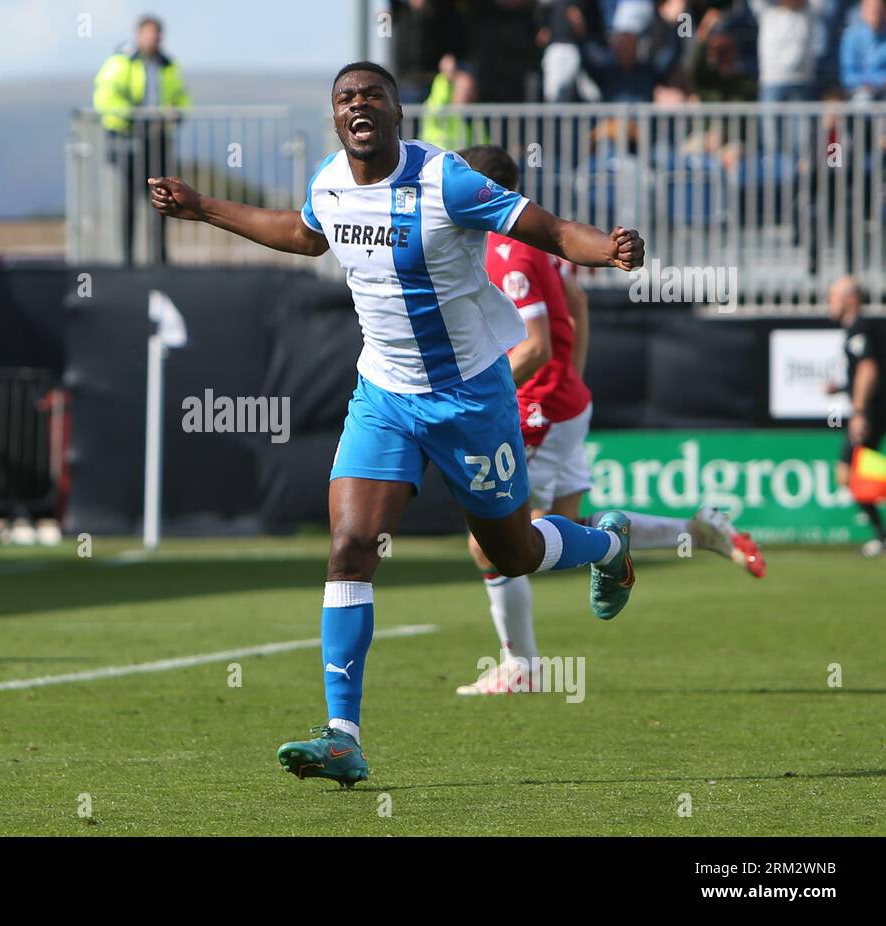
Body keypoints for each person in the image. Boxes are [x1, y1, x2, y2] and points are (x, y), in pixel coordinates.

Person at [149, 62, 644, 786]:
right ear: (336, 116)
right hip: (384, 394)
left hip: (471, 397)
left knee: (509, 554)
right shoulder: (329, 182)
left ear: (396, 112)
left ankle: (607, 543)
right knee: (350, 545)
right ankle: (342, 735)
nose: (359, 106)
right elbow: (301, 232)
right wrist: (202, 208)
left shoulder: (448, 181)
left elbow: (544, 227)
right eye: (346, 98)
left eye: (372, 96)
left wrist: (607, 247)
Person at [455, 145, 766, 695]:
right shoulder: (534, 242)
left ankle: (522, 668)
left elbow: (533, 346)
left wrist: (481, 391)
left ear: (479, 188)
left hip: (537, 405)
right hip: (565, 400)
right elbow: (578, 303)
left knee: (493, 543)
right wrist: (572, 380)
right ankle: (696, 532)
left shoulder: (505, 249)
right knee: (568, 529)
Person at [93, 15, 191, 265]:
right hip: (127, 140)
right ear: (139, 35)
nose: (153, 39)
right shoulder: (122, 61)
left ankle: (159, 256)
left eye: (157, 34)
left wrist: (176, 114)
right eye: (149, 33)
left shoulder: (168, 65)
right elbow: (106, 96)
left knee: (162, 198)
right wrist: (130, 118)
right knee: (128, 201)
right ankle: (127, 258)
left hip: (157, 141)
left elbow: (181, 96)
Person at [824, 277, 886, 556]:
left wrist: (859, 412)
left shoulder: (859, 328)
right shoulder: (860, 329)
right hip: (873, 409)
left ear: (850, 300)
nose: (829, 303)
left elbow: (869, 369)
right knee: (856, 474)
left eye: (833, 297)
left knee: (849, 473)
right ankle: (882, 537)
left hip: (871, 412)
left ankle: (882, 537)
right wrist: (840, 387)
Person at [841, 0, 886, 101]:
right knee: (863, 99)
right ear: (862, 11)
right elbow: (848, 77)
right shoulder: (851, 36)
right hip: (862, 91)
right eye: (871, 10)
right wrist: (872, 82)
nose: (875, 14)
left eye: (878, 10)